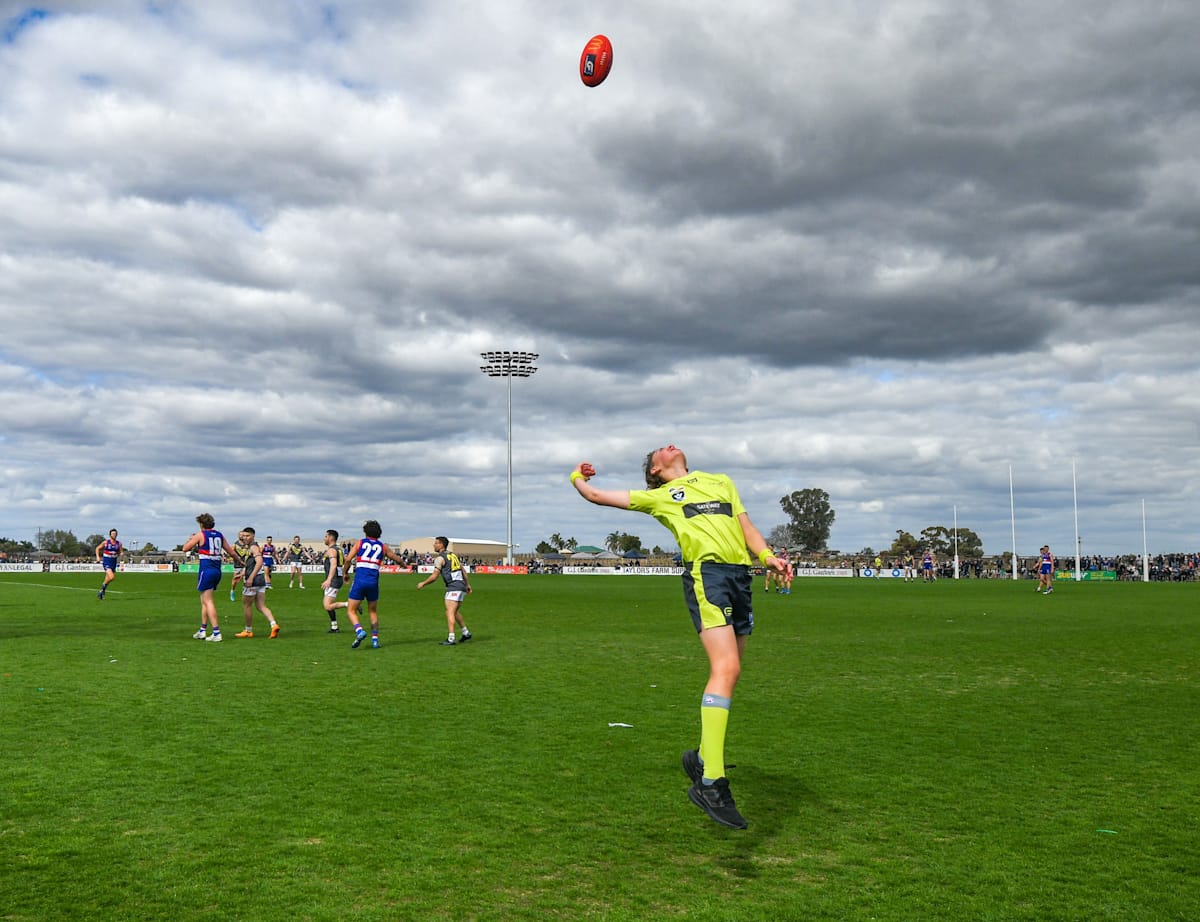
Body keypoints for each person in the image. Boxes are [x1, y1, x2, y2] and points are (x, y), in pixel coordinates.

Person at [570, 445, 790, 830]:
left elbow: (746, 528)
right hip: (709, 576)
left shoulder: (721, 481)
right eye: (661, 450)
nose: (670, 445)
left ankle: (702, 758)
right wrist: (577, 477)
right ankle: (711, 783)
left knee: (732, 673)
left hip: (740, 576)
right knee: (726, 668)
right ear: (656, 470)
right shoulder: (660, 496)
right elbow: (595, 495)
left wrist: (767, 555)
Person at [342, 520, 406, 649]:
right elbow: (397, 558)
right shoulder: (383, 547)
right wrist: (403, 565)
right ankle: (375, 640)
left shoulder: (360, 543)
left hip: (360, 580)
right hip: (373, 582)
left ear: (365, 531)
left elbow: (348, 559)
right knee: (372, 611)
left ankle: (359, 631)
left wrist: (345, 573)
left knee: (351, 610)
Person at [181, 512, 242, 642]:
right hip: (216, 570)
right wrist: (240, 561)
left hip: (206, 570)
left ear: (201, 524)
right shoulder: (219, 535)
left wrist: (190, 539)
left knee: (208, 601)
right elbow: (231, 551)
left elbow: (185, 549)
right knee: (204, 600)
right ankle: (202, 630)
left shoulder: (201, 535)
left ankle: (216, 632)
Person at [416, 536, 474, 646]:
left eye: (436, 543)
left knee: (450, 612)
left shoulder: (440, 558)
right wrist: (467, 584)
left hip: (454, 587)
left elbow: (434, 577)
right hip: (460, 586)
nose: (434, 545)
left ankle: (451, 638)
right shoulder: (453, 555)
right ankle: (466, 633)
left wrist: (423, 583)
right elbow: (463, 571)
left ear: (441, 545)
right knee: (453, 611)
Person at [233, 526, 280, 638]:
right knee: (260, 606)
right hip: (260, 580)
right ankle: (274, 625)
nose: (245, 538)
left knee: (247, 605)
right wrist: (242, 574)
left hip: (253, 581)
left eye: (247, 536)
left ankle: (248, 631)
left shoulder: (253, 547)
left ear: (253, 536)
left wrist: (250, 578)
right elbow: (251, 564)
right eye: (243, 536)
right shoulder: (252, 547)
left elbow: (259, 562)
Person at [320, 529, 349, 633]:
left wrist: (329, 580)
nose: (324, 538)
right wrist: (345, 574)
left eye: (326, 536)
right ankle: (334, 627)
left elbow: (333, 565)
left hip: (333, 580)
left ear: (330, 538)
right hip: (337, 578)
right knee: (328, 605)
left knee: (327, 605)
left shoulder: (331, 550)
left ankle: (349, 604)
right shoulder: (339, 550)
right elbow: (345, 562)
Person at [95, 528, 123, 599]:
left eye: (115, 534)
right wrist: (98, 557)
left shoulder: (119, 543)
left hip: (113, 562)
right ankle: (103, 589)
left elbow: (120, 551)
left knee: (108, 579)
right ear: (110, 535)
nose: (114, 535)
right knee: (112, 577)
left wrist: (121, 553)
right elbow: (97, 548)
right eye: (113, 534)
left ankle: (101, 592)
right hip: (106, 561)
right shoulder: (106, 542)